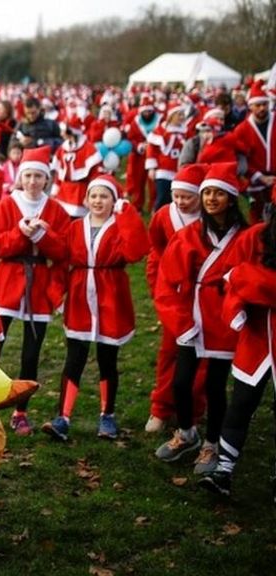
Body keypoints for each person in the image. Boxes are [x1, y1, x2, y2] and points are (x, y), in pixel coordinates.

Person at [154, 162, 248, 473]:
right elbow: (167, 280)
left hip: (224, 319)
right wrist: (181, 321)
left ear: (231, 198)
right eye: (207, 193)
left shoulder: (245, 237)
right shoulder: (190, 234)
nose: (210, 199)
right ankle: (186, 433)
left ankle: (212, 444)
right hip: (192, 318)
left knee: (214, 385)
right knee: (181, 382)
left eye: (218, 193)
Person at [41, 174, 149, 441]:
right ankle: (63, 417)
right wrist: (57, 294)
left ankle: (107, 415)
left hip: (111, 294)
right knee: (74, 357)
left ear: (114, 200)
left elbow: (136, 251)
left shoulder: (119, 226)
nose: (98, 201)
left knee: (107, 359)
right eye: (94, 196)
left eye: (105, 196)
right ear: (86, 199)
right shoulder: (75, 227)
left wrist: (128, 215)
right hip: (80, 296)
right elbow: (61, 258)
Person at [0, 146, 71, 436]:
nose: (33, 181)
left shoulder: (56, 210)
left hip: (39, 284)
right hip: (8, 279)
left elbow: (62, 251)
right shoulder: (7, 205)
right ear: (20, 177)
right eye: (28, 176)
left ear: (47, 179)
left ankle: (21, 411)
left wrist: (42, 235)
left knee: (31, 353)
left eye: (38, 176)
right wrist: (19, 234)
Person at [199, 185, 276, 500]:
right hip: (256, 335)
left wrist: (249, 279)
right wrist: (236, 305)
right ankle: (224, 470)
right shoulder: (255, 236)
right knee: (241, 403)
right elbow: (229, 277)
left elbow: (243, 278)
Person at [144, 164, 207, 433]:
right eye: (176, 196)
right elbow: (156, 250)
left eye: (187, 197)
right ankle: (160, 407)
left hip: (203, 295)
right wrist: (157, 286)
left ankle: (193, 409)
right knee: (169, 352)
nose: (181, 202)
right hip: (173, 296)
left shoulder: (209, 218)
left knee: (203, 355)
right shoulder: (163, 215)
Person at [232, 81, 275, 223]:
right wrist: (259, 176)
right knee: (258, 222)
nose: (262, 108)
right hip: (255, 182)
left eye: (265, 104)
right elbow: (241, 160)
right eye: (258, 105)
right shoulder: (241, 130)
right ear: (250, 106)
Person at [53, 116, 104, 218]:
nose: (61, 134)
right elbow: (59, 173)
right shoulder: (63, 149)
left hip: (80, 193)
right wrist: (55, 190)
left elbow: (95, 176)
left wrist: (90, 195)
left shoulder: (88, 149)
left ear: (71, 131)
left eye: (63, 131)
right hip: (63, 193)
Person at [146, 107, 192, 211]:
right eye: (179, 115)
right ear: (172, 116)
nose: (182, 117)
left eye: (183, 115)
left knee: (176, 198)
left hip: (179, 169)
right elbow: (151, 149)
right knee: (162, 197)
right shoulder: (161, 131)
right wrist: (151, 168)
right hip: (163, 170)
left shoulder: (185, 131)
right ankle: (157, 216)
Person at [121, 95, 160, 213]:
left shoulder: (159, 121)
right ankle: (138, 206)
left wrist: (154, 144)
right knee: (138, 181)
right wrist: (138, 146)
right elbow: (130, 138)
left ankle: (154, 206)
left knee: (154, 183)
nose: (147, 114)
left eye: (149, 111)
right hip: (139, 156)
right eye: (145, 111)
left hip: (155, 156)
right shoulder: (136, 122)